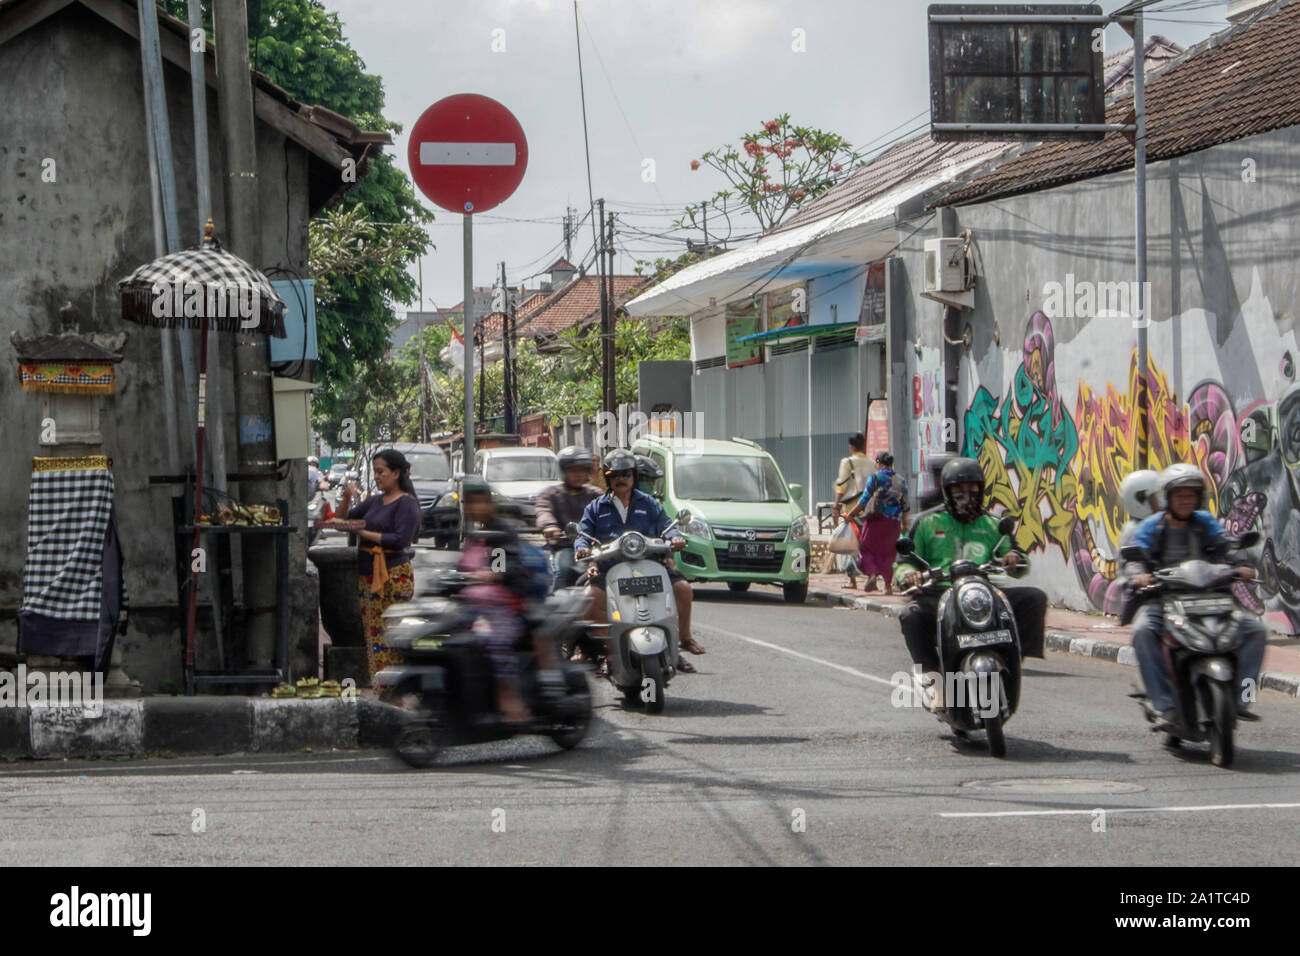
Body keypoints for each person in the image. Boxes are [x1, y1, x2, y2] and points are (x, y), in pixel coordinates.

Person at [894, 457, 1047, 710]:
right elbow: (904, 562)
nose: (966, 496)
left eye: (972, 490)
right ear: (947, 492)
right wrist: (910, 575)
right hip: (939, 592)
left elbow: (1018, 560)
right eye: (959, 490)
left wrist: (1012, 559)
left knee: (1034, 598)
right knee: (911, 615)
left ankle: (1014, 658)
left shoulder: (993, 524)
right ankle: (935, 682)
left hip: (981, 592)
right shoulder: (927, 523)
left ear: (981, 490)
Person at [1122, 463, 1266, 731]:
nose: (1186, 500)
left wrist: (1238, 564)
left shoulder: (1206, 523)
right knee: (1142, 630)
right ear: (1168, 498)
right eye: (1180, 495)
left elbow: (1227, 545)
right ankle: (1163, 704)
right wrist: (1139, 575)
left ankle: (1243, 699)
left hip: (1209, 599)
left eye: (1191, 495)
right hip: (1163, 601)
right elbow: (1135, 559)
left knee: (1255, 630)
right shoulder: (1152, 527)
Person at [574, 449, 707, 667]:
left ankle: (681, 640)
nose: (620, 479)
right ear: (607, 479)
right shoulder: (596, 508)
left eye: (625, 474)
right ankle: (610, 652)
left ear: (634, 476)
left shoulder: (649, 504)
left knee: (683, 588)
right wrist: (582, 549)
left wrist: (675, 538)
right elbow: (583, 534)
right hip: (610, 569)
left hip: (650, 565)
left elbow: (666, 526)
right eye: (614, 475)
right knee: (588, 597)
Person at [459, 477, 561, 723]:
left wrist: (486, 575)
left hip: (507, 604)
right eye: (470, 503)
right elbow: (461, 568)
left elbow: (501, 568)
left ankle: (510, 697)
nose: (475, 508)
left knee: (495, 640)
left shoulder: (499, 532)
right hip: (476, 605)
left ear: (489, 503)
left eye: (480, 502)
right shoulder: (473, 534)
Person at [339, 449, 421, 682]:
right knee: (373, 634)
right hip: (368, 574)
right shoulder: (374, 501)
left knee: (391, 633)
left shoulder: (407, 504)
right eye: (375, 472)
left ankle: (395, 687)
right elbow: (345, 520)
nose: (376, 477)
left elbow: (400, 540)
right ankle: (381, 684)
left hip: (394, 576)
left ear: (396, 473)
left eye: (380, 472)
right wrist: (346, 497)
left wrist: (364, 532)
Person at [536, 446, 603, 592]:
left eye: (582, 470)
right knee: (563, 569)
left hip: (593, 549)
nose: (578, 474)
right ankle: (557, 606)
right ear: (563, 471)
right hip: (564, 547)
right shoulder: (551, 494)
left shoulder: (596, 494)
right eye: (573, 470)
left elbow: (609, 513)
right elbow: (544, 510)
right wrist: (550, 526)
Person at [844, 451, 909, 594]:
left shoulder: (875, 477)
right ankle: (887, 586)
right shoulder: (901, 480)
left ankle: (872, 575)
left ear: (878, 463)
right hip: (894, 522)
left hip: (876, 520)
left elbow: (864, 500)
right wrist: (905, 523)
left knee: (867, 549)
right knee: (889, 553)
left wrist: (851, 514)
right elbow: (905, 505)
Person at [830, 433, 872, 586]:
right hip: (868, 509)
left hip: (851, 509)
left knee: (850, 542)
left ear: (852, 447)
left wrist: (836, 505)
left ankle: (852, 580)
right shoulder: (872, 463)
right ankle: (870, 576)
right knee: (867, 543)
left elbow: (842, 485)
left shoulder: (847, 462)